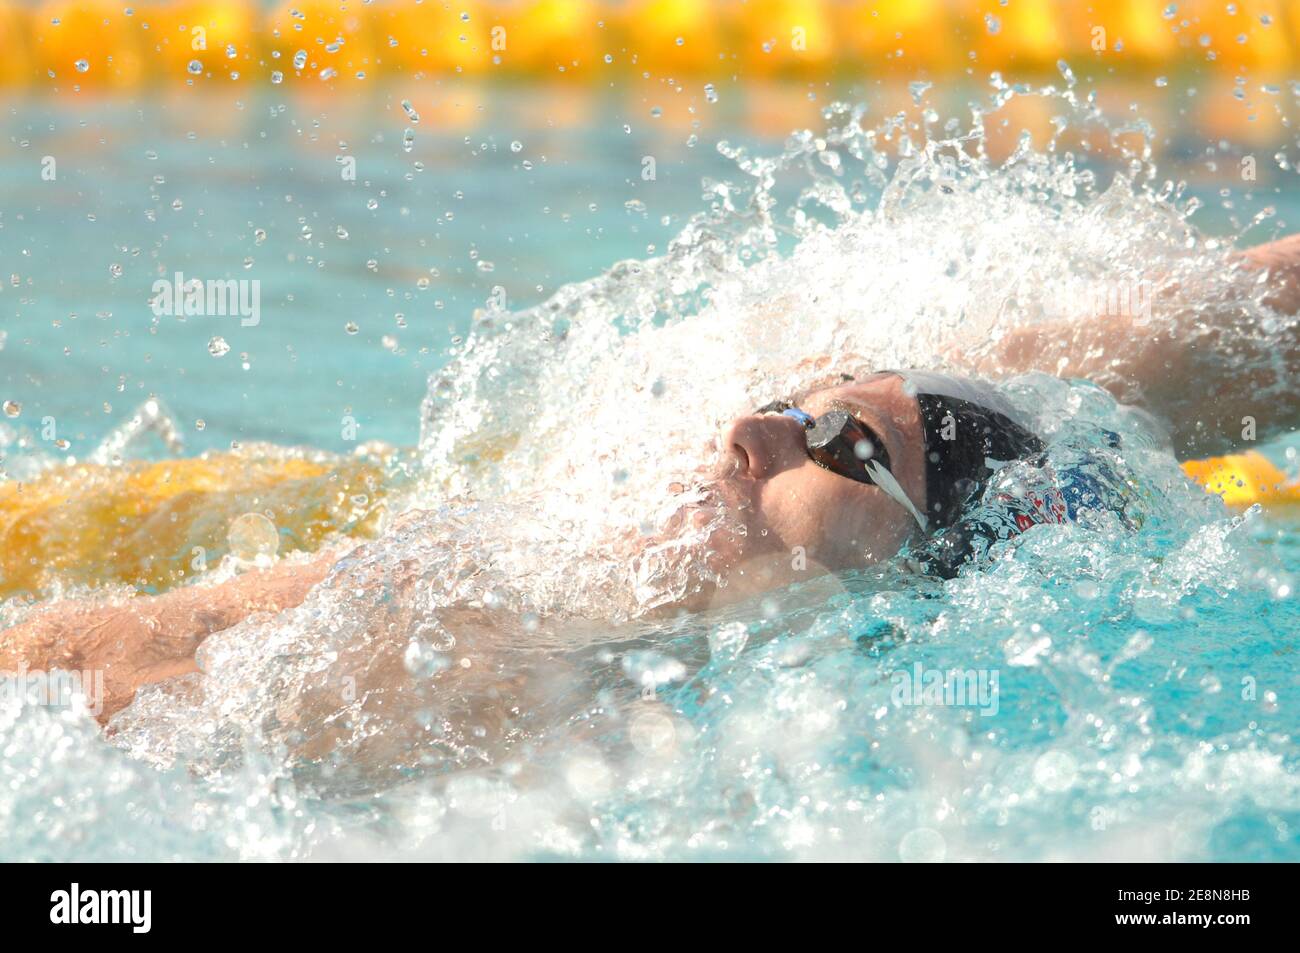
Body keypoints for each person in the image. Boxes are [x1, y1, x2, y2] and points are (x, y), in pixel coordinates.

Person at [2, 235, 1297, 723]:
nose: (749, 431)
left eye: (832, 449)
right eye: (800, 404)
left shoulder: (532, 674)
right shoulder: (511, 588)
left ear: (907, 576)